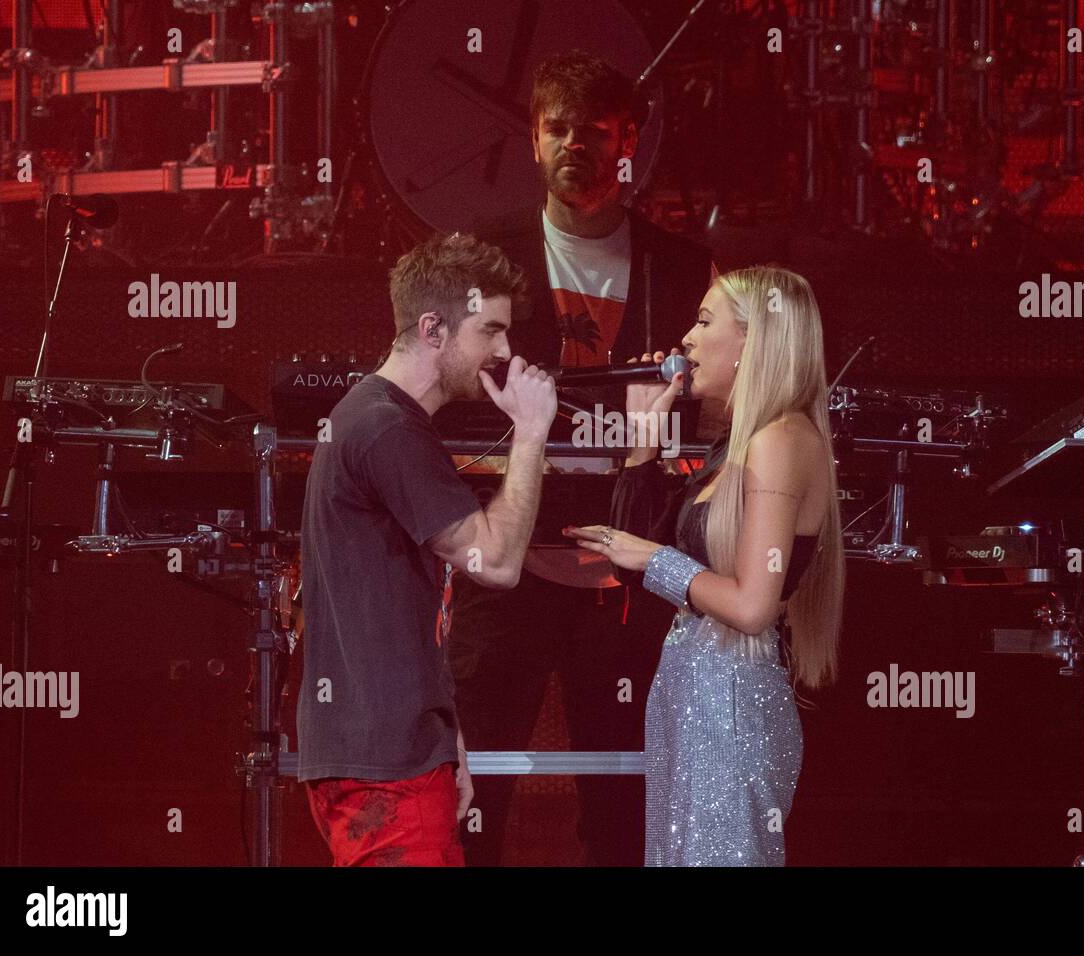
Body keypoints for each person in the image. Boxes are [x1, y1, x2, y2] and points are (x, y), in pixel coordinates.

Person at [447, 50, 714, 866]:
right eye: (556, 128)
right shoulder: (483, 262)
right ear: (532, 141)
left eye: (595, 132)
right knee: (472, 794)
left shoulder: (684, 268)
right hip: (508, 564)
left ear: (628, 142)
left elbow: (714, 416)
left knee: (626, 804)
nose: (574, 146)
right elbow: (444, 399)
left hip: (626, 575)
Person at [566, 266, 845, 866]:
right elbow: (637, 567)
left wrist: (654, 557)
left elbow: (751, 606)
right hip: (693, 688)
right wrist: (645, 438)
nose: (685, 340)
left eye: (703, 320)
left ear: (754, 339)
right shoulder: (736, 448)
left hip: (731, 703)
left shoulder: (781, 439)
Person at [297, 233, 557, 866]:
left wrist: (449, 740)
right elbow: (494, 563)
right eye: (490, 331)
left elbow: (404, 616)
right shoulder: (386, 429)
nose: (504, 350)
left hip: (399, 751)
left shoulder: (384, 420)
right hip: (384, 762)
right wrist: (529, 434)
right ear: (433, 328)